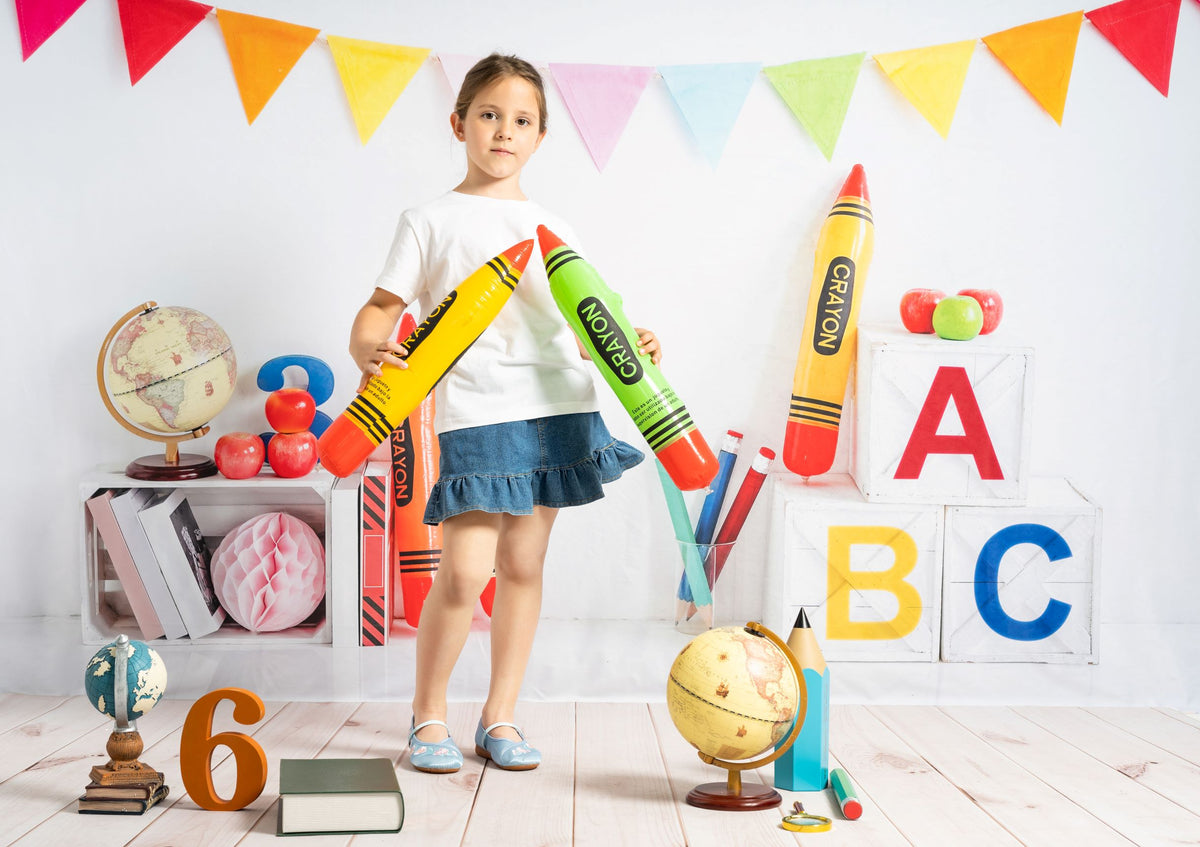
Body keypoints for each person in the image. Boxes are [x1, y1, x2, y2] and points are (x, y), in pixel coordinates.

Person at [347, 54, 660, 774]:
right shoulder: (429, 220)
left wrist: (631, 337)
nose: (503, 131)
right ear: (458, 123)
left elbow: (587, 319)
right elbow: (381, 308)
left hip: (558, 405)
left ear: (540, 138)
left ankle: (500, 715)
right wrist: (367, 345)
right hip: (478, 410)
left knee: (523, 563)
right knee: (463, 572)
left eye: (522, 121)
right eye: (489, 115)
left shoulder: (554, 225)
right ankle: (428, 714)